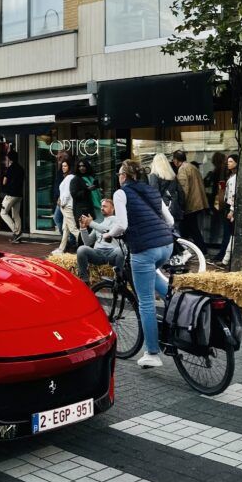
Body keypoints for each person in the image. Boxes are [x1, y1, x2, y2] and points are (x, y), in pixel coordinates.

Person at [106, 160, 175, 369]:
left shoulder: (121, 193)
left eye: (119, 173)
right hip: (166, 246)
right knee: (153, 279)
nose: (118, 177)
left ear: (125, 176)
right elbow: (170, 221)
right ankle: (177, 306)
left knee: (145, 302)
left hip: (144, 249)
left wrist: (109, 233)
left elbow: (122, 225)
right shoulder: (151, 190)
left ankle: (152, 353)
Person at [76, 198, 124, 284]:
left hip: (112, 254)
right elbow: (88, 242)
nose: (102, 208)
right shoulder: (99, 224)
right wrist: (83, 228)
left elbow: (107, 231)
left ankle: (119, 278)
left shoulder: (118, 222)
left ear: (113, 209)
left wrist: (91, 223)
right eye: (101, 206)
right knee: (81, 249)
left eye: (105, 206)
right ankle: (84, 279)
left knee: (120, 250)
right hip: (98, 254)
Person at [171, 149, 207, 251]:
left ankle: (200, 249)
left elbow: (183, 190)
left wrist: (181, 206)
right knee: (188, 228)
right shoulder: (192, 167)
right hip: (197, 202)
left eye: (174, 160)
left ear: (176, 160)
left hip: (190, 204)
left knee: (191, 228)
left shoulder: (183, 169)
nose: (173, 162)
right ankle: (188, 249)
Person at [148, 153, 184, 230]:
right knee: (176, 232)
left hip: (163, 209)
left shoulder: (154, 176)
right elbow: (181, 192)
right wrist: (181, 206)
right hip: (174, 207)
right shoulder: (173, 175)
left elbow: (154, 195)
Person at [53, 158, 80, 254]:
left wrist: (62, 202)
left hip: (66, 206)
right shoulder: (69, 177)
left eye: (65, 166)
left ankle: (88, 244)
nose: (63, 168)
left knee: (72, 228)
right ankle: (61, 249)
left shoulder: (69, 178)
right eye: (63, 166)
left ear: (70, 167)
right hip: (66, 205)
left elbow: (67, 193)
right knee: (66, 229)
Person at [0, 150, 24, 243]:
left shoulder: (10, 168)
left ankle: (16, 232)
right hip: (19, 194)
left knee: (3, 213)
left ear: (9, 158)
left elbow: (4, 181)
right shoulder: (21, 168)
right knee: (16, 215)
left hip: (11, 194)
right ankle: (18, 235)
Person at [52, 149, 69, 236]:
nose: (58, 158)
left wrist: (60, 197)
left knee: (58, 218)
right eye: (58, 156)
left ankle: (70, 240)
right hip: (59, 199)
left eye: (61, 157)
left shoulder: (66, 172)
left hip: (63, 200)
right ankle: (67, 240)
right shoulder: (59, 170)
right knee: (61, 220)